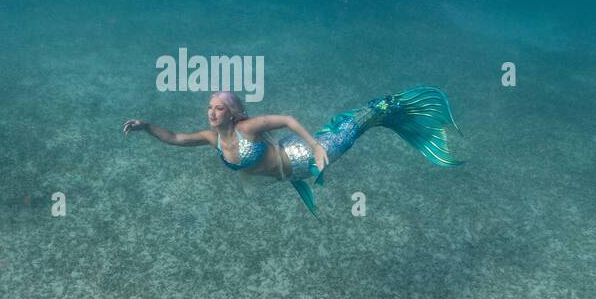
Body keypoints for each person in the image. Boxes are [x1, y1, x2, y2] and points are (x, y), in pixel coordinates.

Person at [123, 86, 463, 215]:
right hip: (287, 174)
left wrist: (315, 147)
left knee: (355, 128)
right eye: (210, 107)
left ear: (233, 112)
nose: (211, 112)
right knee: (351, 130)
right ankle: (388, 113)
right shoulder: (211, 138)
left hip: (301, 159)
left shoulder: (248, 128)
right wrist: (145, 126)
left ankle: (391, 106)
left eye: (219, 108)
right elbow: (175, 138)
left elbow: (285, 119)